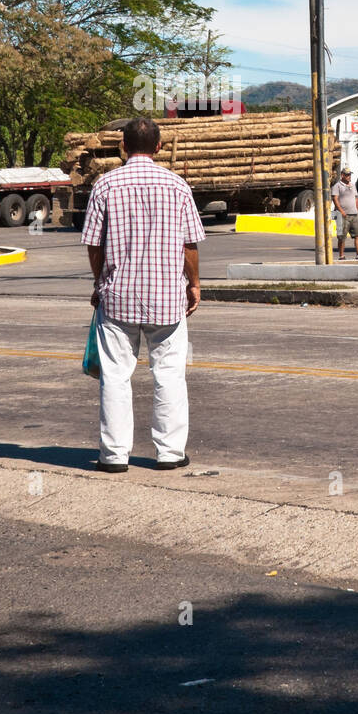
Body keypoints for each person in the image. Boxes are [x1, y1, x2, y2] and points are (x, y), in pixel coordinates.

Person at [82, 117, 205, 472]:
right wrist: (193, 283)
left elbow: (93, 244)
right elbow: (188, 245)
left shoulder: (105, 185)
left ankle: (114, 456)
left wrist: (100, 281)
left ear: (123, 146)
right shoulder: (177, 186)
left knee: (116, 377)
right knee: (168, 375)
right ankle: (169, 453)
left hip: (117, 299)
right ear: (159, 147)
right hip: (167, 299)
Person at [332, 166, 358, 260]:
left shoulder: (352, 185)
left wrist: (357, 210)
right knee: (341, 237)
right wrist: (341, 211)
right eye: (347, 175)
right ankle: (341, 255)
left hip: (354, 214)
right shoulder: (337, 186)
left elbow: (356, 198)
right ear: (342, 175)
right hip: (341, 215)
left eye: (349, 174)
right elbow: (335, 199)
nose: (349, 176)